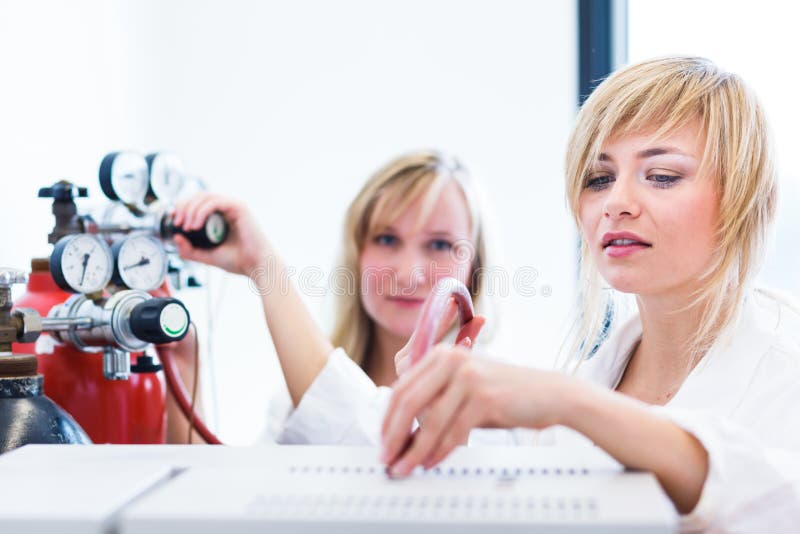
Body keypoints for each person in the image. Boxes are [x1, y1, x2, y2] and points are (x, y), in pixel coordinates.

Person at [380, 57, 800, 531]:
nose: (616, 203)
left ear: (745, 199)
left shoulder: (786, 381)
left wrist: (569, 403)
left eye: (661, 175)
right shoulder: (581, 385)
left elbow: (767, 499)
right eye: (599, 179)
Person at [171, 151, 491, 442]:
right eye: (386, 239)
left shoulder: (496, 406)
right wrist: (183, 366)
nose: (409, 274)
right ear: (357, 254)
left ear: (474, 263)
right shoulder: (289, 404)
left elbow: (367, 440)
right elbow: (218, 502)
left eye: (439, 245)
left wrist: (264, 266)